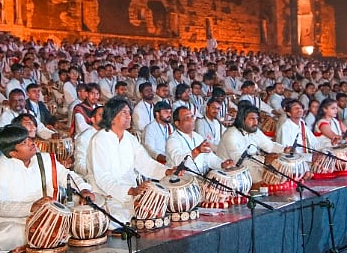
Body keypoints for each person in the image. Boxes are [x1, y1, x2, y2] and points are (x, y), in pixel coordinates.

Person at [0, 124, 92, 253]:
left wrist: (84, 189)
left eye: (29, 138)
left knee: (84, 208)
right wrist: (31, 207)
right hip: (15, 222)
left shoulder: (43, 159)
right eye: (24, 142)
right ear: (13, 153)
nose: (31, 143)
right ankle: (44, 240)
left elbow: (67, 176)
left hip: (48, 220)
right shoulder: (1, 167)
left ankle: (37, 242)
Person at [87, 96, 176, 224]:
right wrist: (130, 191)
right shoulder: (99, 140)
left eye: (129, 112)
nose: (129, 116)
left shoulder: (130, 139)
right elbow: (103, 178)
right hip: (107, 198)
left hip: (131, 197)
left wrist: (167, 171)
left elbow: (146, 164)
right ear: (112, 117)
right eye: (124, 113)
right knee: (120, 222)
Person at [217, 104, 292, 183]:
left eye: (256, 119)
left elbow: (270, 146)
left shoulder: (254, 131)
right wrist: (264, 160)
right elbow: (238, 160)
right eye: (252, 119)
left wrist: (284, 149)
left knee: (279, 175)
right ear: (242, 119)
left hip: (250, 169)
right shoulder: (231, 134)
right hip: (229, 175)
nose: (256, 122)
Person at [166, 106, 232, 174]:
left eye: (192, 116)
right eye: (187, 118)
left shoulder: (198, 137)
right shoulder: (173, 140)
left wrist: (222, 164)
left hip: (201, 178)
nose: (191, 120)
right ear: (177, 123)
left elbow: (209, 157)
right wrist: (197, 151)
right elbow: (178, 161)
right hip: (182, 180)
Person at [73, 105, 103, 179]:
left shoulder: (111, 136)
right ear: (93, 119)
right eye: (100, 115)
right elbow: (79, 165)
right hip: (91, 180)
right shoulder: (84, 137)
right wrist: (95, 173)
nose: (104, 118)